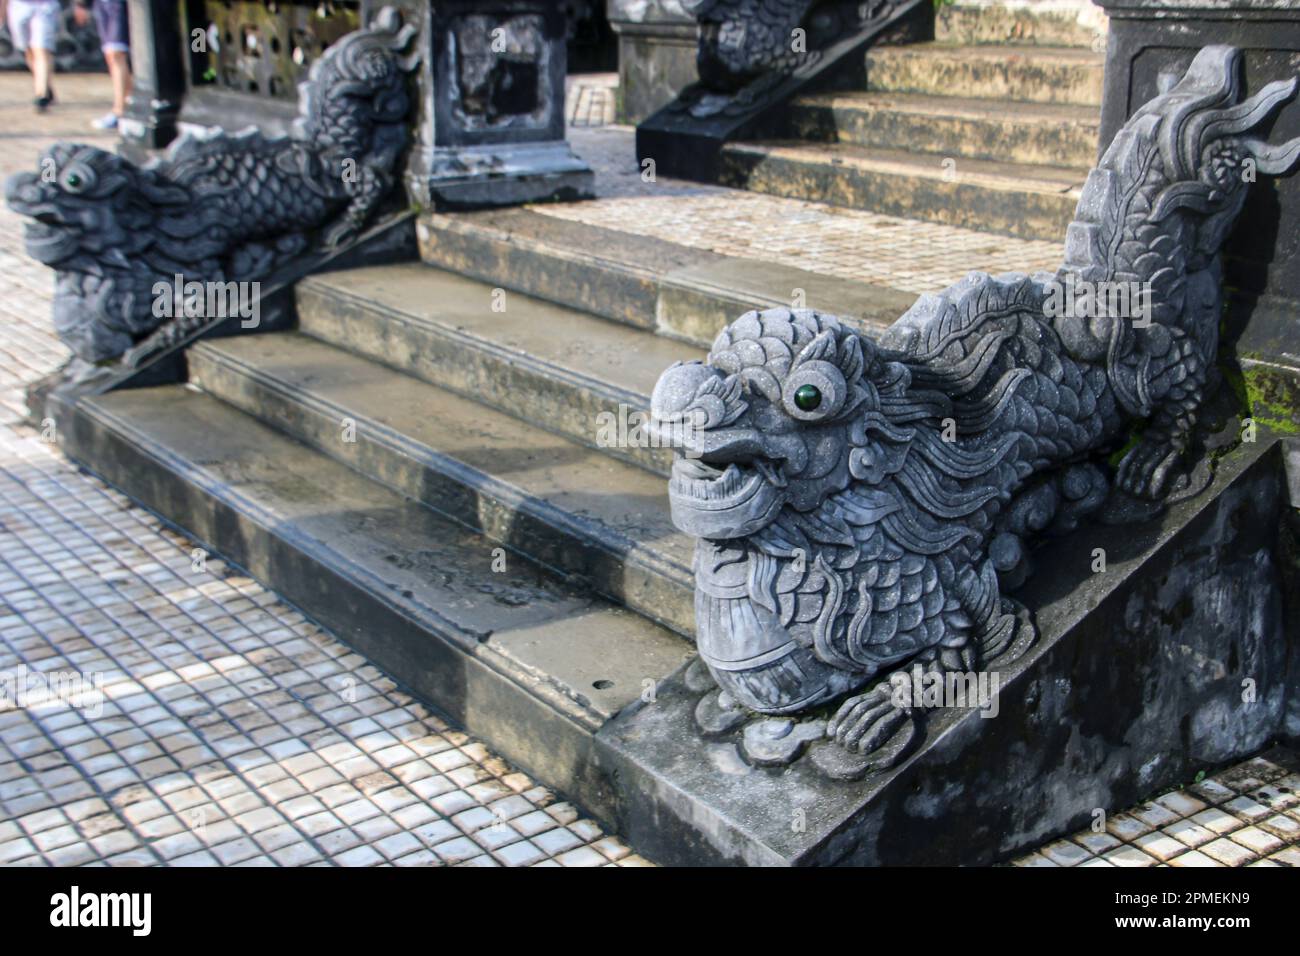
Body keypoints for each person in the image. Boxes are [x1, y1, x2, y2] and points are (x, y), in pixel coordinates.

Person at [73, 0, 130, 129]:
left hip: (119, 5)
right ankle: (126, 104)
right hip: (103, 5)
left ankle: (119, 110)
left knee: (116, 54)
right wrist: (81, 4)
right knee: (111, 55)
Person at [3, 0, 59, 111]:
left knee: (41, 49)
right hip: (19, 6)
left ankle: (41, 95)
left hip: (45, 6)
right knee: (27, 50)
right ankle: (44, 83)